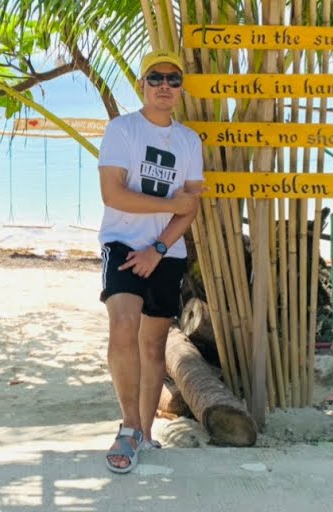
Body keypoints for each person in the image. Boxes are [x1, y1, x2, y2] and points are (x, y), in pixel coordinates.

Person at [96, 50, 205, 474]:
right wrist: (170, 202)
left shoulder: (188, 140)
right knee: (123, 326)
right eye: (156, 77)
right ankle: (127, 427)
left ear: (180, 88)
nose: (164, 85)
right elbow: (114, 196)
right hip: (121, 243)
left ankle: (144, 433)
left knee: (153, 346)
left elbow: (190, 207)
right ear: (142, 84)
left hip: (166, 250)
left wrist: (157, 249)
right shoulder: (122, 130)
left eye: (173, 79)